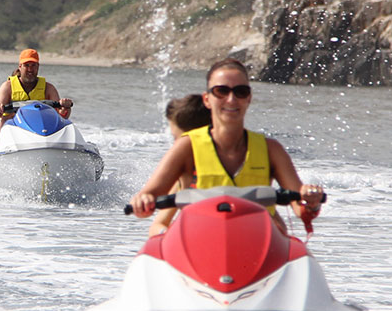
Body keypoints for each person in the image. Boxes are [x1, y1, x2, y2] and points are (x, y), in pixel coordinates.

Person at [129, 58, 324, 235]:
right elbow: (148, 198)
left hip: (258, 249)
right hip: (199, 247)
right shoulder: (187, 147)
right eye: (221, 91)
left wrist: (311, 203)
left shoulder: (271, 150)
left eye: (240, 92)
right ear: (207, 99)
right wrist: (142, 201)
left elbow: (301, 209)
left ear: (249, 98)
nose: (231, 99)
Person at [147, 93, 212, 237]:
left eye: (177, 139)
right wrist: (168, 233)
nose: (176, 146)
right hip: (191, 241)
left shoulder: (235, 166)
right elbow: (158, 225)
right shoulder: (183, 177)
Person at [0, 48, 74, 143]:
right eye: (26, 65)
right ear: (20, 66)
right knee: (1, 120)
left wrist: (66, 107)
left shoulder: (48, 88)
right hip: (15, 128)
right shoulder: (7, 87)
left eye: (33, 66)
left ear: (38, 67)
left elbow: (62, 117)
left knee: (68, 124)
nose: (30, 69)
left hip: (41, 129)